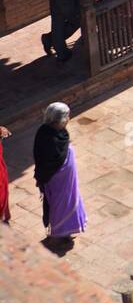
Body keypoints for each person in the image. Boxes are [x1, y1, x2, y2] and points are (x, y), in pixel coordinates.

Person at [33, 103, 87, 252]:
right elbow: (44, 160)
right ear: (59, 120)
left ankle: (66, 232)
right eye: (67, 117)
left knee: (67, 203)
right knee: (59, 207)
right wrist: (41, 177)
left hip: (66, 181)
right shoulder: (47, 137)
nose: (69, 119)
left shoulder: (55, 133)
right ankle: (57, 237)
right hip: (56, 182)